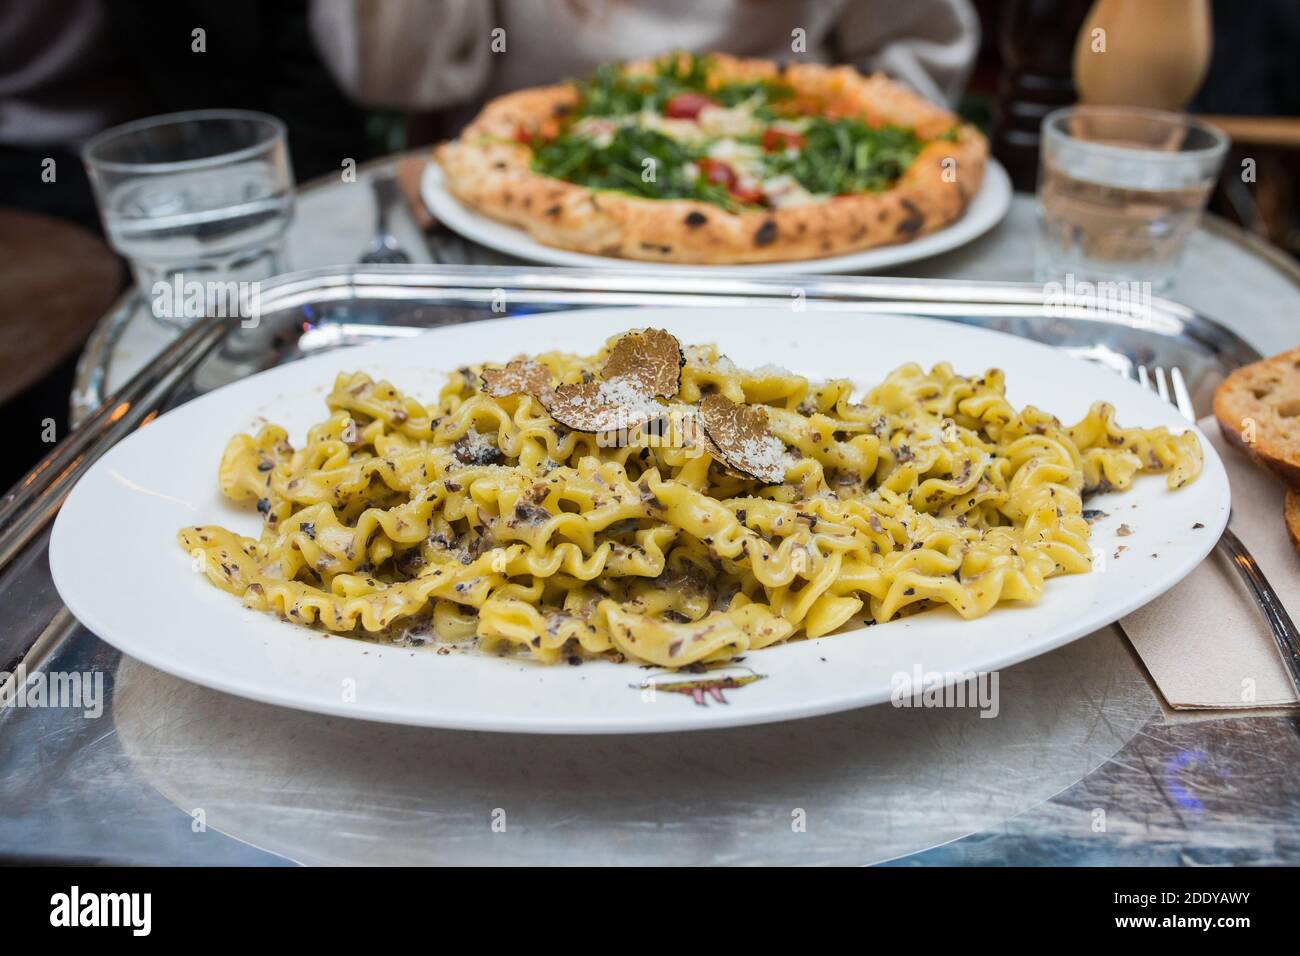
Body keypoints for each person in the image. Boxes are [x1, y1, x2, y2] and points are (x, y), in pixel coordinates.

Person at [310, 0, 980, 137]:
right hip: (517, 234)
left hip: (805, 233)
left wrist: (823, 154)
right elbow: (386, 76)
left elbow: (918, 57)